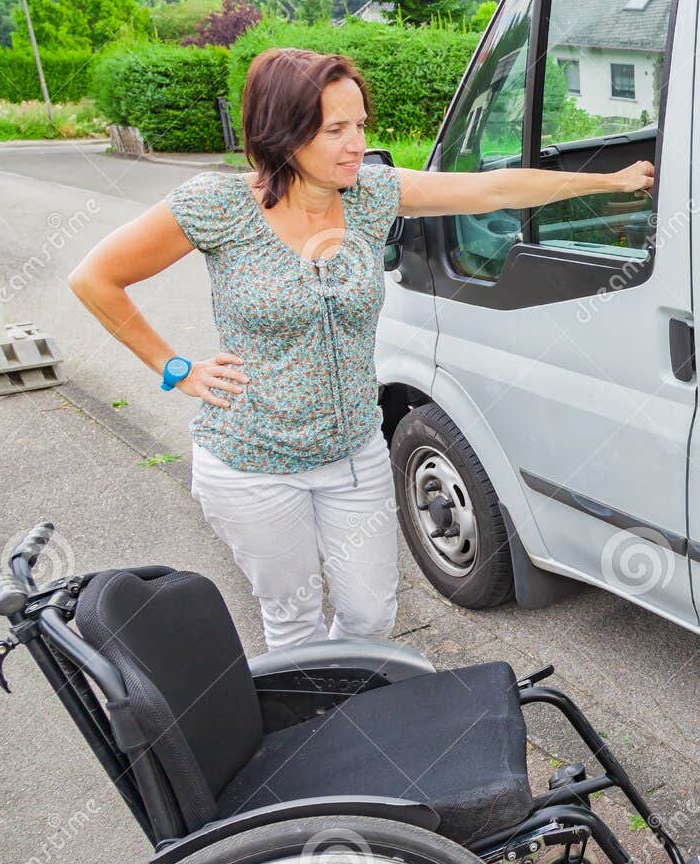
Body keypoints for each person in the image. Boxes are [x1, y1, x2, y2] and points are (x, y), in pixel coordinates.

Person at [69, 48, 654, 649]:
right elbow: (95, 279)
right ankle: (322, 704)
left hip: (354, 455)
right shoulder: (218, 206)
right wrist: (175, 367)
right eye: (335, 130)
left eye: (360, 125)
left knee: (371, 616)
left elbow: (491, 189)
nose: (357, 144)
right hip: (251, 465)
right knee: (293, 624)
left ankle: (351, 685)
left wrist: (610, 182)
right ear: (281, 132)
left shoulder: (371, 194)